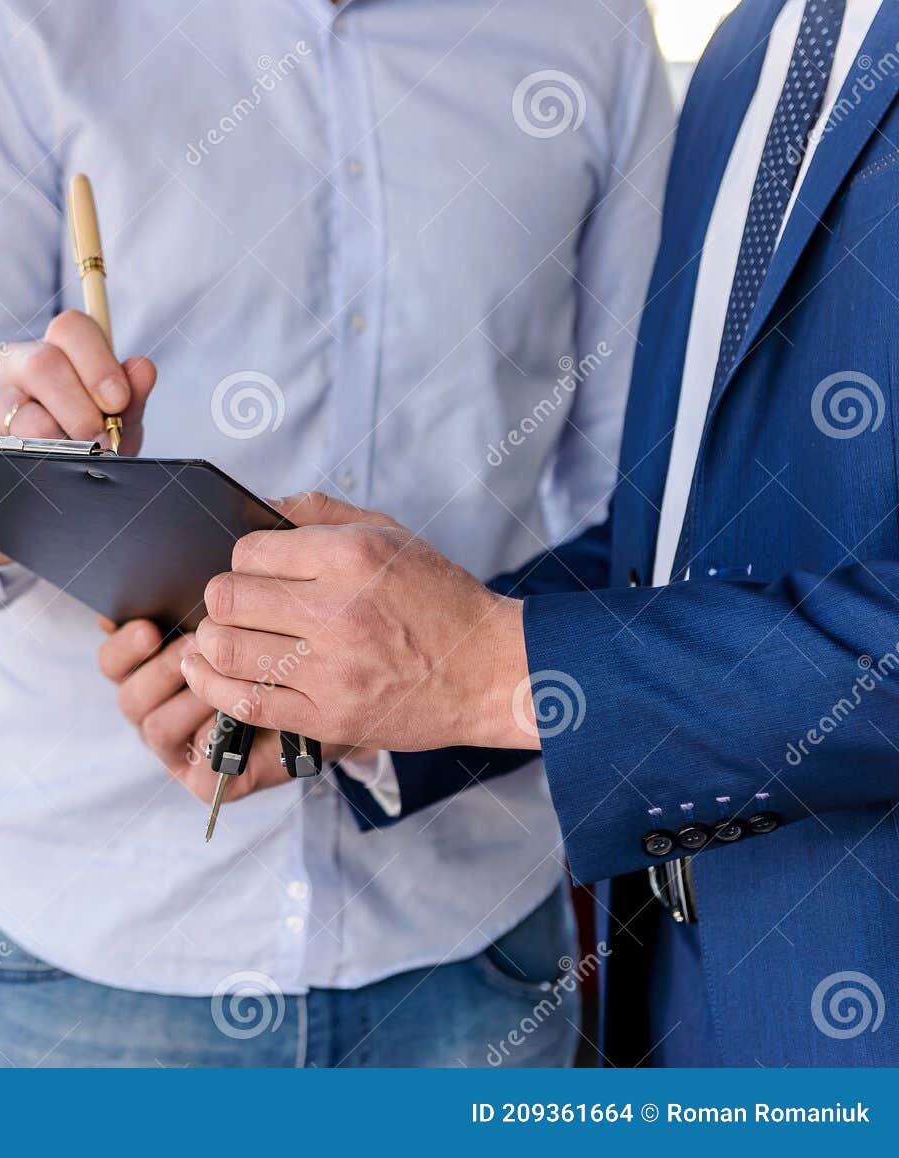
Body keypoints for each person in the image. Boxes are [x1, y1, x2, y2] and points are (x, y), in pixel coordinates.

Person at [0, 0, 671, 1066]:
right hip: (81, 961)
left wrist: (449, 696)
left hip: (471, 945)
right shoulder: (28, 23)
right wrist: (5, 479)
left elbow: (638, 500)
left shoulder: (587, 31)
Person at [182, 0, 899, 1066]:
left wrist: (487, 665)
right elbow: (674, 547)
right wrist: (375, 682)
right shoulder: (747, 56)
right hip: (685, 1004)